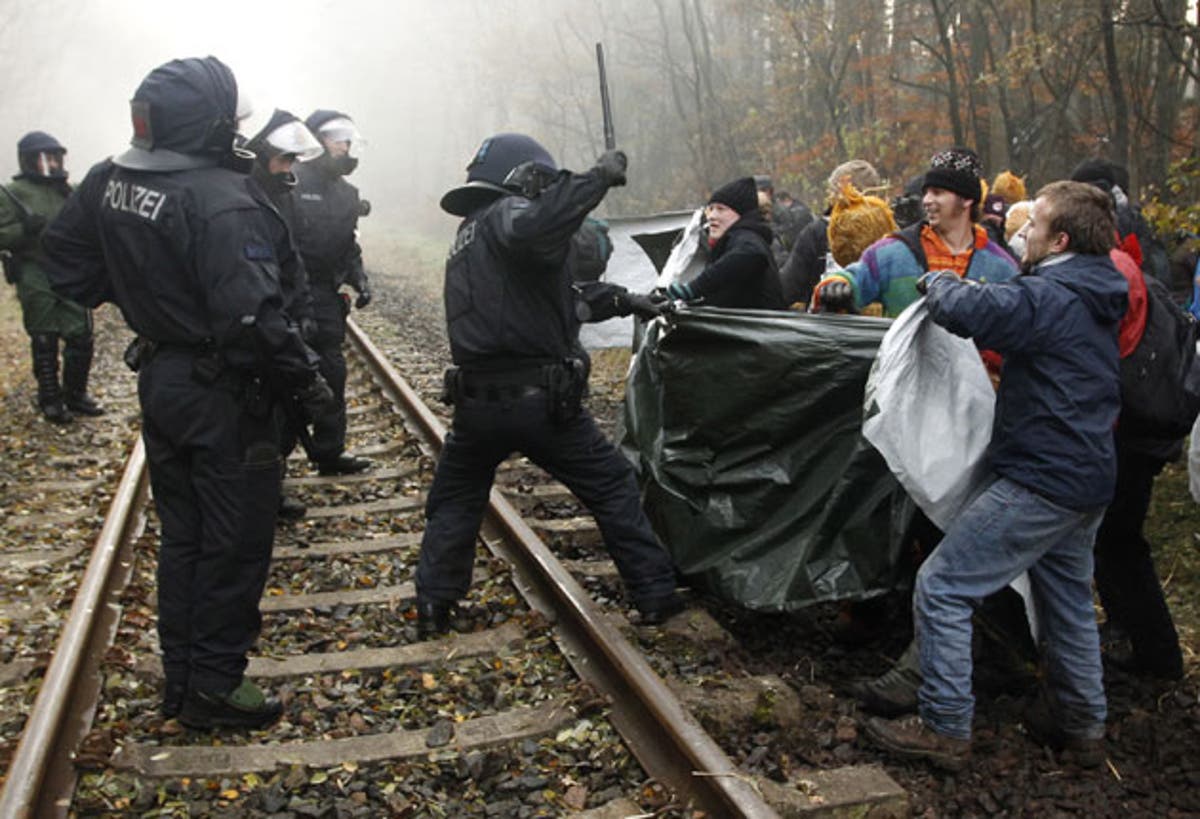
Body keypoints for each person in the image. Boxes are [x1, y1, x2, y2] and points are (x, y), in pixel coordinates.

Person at [41, 56, 333, 729]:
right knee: (233, 542)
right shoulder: (222, 199)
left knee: (186, 536)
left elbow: (65, 261)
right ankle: (215, 686)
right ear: (205, 124)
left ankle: (185, 679)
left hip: (166, 378)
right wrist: (307, 384)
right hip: (227, 392)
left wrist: (149, 298)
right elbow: (254, 318)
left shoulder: (110, 179)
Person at [863, 181, 1127, 770]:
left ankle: (945, 726)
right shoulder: (1097, 291)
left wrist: (938, 282)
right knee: (1067, 602)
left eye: (1034, 227)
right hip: (1088, 477)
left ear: (1059, 240)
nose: (1023, 233)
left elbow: (972, 311)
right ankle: (1083, 726)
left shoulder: (1051, 295)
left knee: (943, 586)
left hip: (1042, 478)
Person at [415, 132, 682, 637]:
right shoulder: (509, 217)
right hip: (542, 404)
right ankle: (655, 595)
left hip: (477, 406)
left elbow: (564, 299)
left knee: (455, 499)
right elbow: (538, 226)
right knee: (611, 483)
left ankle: (433, 605)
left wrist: (625, 301)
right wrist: (597, 177)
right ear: (524, 180)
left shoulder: (472, 235)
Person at [816, 147, 1018, 317]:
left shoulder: (1001, 267)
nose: (927, 201)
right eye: (926, 193)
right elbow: (856, 277)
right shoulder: (894, 253)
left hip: (973, 365)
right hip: (904, 364)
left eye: (938, 193)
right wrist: (837, 286)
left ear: (967, 200)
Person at [245, 109, 325, 519]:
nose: (288, 168)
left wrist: (304, 312)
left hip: (284, 316)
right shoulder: (239, 195)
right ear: (260, 154)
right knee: (257, 415)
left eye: (294, 160)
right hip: (255, 320)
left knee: (285, 413)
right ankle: (259, 495)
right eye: (283, 159)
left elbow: (296, 260)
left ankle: (270, 488)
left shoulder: (284, 197)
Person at [0, 131, 103, 423]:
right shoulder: (11, 193)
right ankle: (49, 397)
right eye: (43, 159)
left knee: (80, 333)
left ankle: (76, 393)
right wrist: (24, 231)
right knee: (44, 335)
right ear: (28, 161)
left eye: (55, 158)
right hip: (34, 268)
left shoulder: (68, 191)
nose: (51, 165)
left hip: (68, 269)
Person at [292, 109, 373, 476]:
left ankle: (329, 450)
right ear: (317, 140)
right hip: (287, 293)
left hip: (324, 293)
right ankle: (272, 464)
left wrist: (359, 277)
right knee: (285, 374)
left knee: (333, 371)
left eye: (347, 137)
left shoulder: (347, 194)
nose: (344, 144)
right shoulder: (289, 181)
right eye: (335, 136)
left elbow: (348, 245)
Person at [656, 176, 786, 309]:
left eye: (720, 209)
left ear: (741, 213)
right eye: (711, 209)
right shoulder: (732, 241)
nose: (712, 216)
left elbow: (752, 254)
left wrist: (692, 289)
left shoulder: (746, 238)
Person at [780, 159, 882, 307]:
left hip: (826, 322)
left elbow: (787, 289)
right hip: (878, 324)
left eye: (831, 190)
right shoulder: (889, 231)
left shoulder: (818, 232)